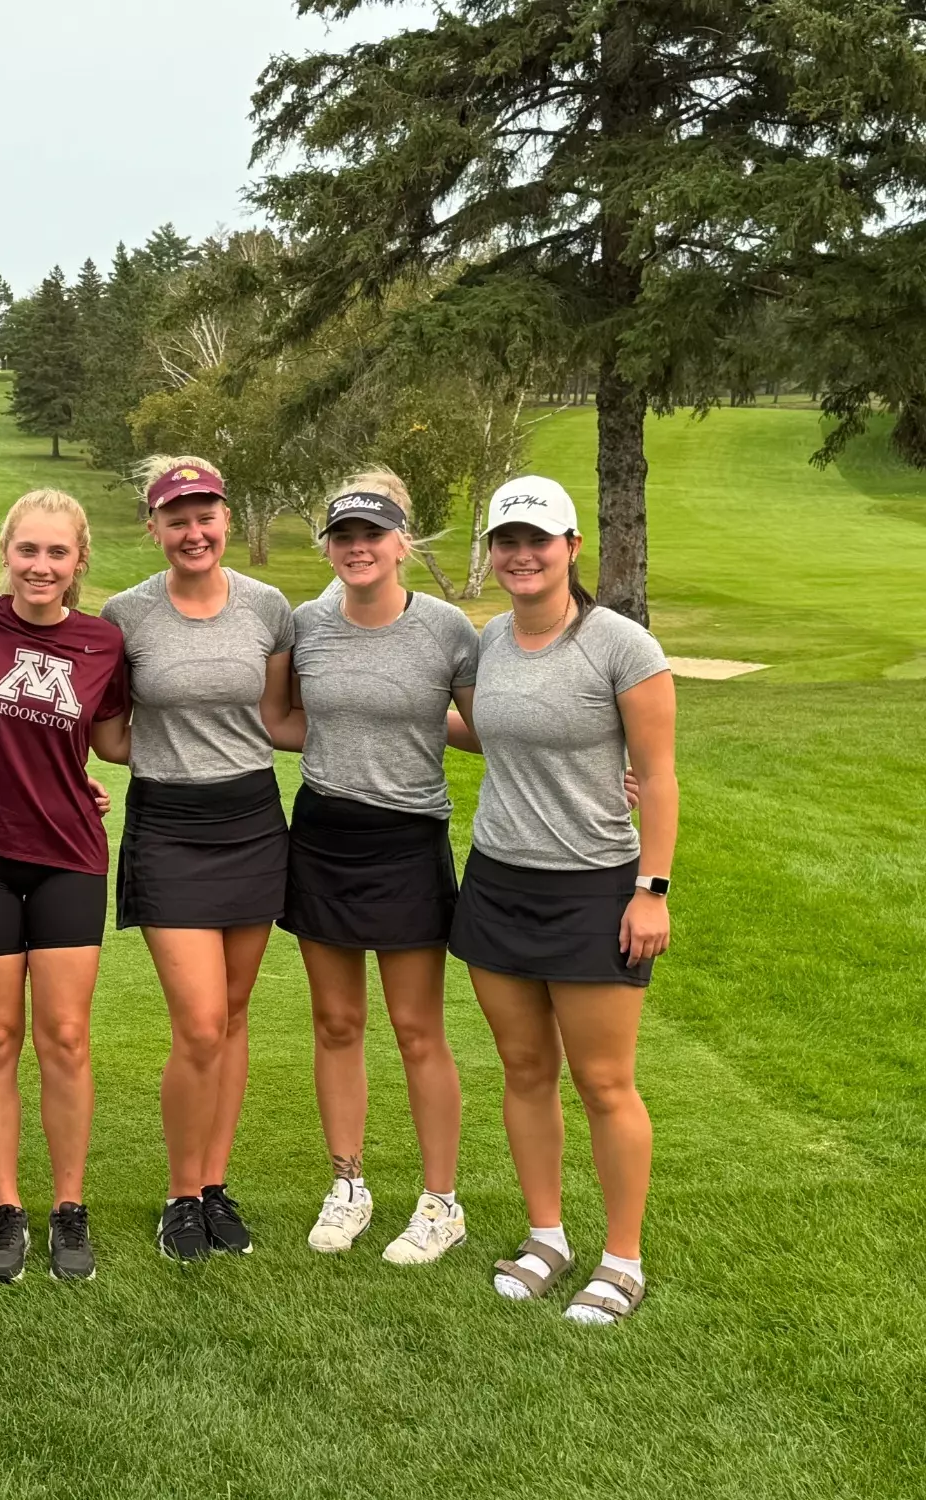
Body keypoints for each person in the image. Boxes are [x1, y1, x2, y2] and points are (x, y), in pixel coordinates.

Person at [450, 476, 677, 1326]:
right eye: (507, 542)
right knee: (525, 1070)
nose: (521, 555)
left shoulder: (621, 646)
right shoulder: (489, 645)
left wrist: (651, 889)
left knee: (605, 1082)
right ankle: (546, 1235)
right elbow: (486, 731)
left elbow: (656, 777)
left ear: (572, 548)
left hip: (594, 888)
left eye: (538, 541)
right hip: (499, 880)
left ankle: (623, 1258)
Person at [269, 472, 479, 1264]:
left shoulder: (449, 629)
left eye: (374, 535)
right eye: (344, 536)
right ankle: (348, 1185)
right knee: (337, 1023)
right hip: (323, 831)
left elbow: (491, 726)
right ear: (329, 546)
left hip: (408, 839)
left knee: (418, 1029)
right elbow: (280, 720)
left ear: (402, 543)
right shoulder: (306, 624)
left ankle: (440, 1203)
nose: (358, 548)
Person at [0, 490, 128, 1282]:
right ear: (5, 551)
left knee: (66, 1038)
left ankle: (68, 1207)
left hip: (69, 854)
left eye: (57, 553)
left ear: (79, 563)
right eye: (28, 550)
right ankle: (6, 1207)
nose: (41, 566)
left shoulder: (102, 642)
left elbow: (110, 742)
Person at [100, 457, 296, 1262]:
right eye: (176, 519)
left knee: (236, 1016)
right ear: (154, 529)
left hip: (251, 817)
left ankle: (216, 1184)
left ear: (226, 519)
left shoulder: (269, 608)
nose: (194, 532)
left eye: (206, 516)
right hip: (169, 825)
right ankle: (181, 1194)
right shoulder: (124, 616)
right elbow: (108, 734)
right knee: (201, 1023)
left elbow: (283, 717)